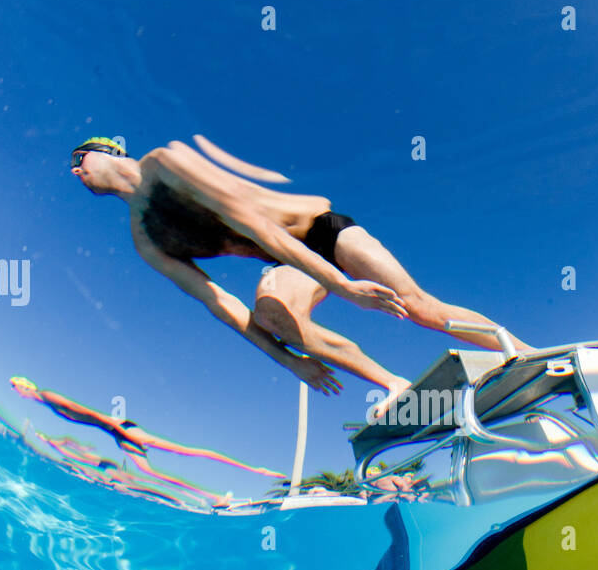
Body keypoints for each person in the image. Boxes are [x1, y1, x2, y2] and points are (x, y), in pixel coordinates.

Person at [70, 135, 528, 401]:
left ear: (110, 150)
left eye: (79, 160)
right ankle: (397, 388)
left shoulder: (166, 164)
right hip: (287, 260)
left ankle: (527, 354)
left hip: (320, 233)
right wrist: (289, 362)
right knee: (272, 317)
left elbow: (256, 227)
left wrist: (345, 286)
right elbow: (219, 303)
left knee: (419, 308)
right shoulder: (146, 240)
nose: (75, 172)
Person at [9, 376, 285, 478]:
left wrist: (121, 431)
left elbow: (87, 412)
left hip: (122, 428)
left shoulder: (46, 396)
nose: (15, 392)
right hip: (117, 434)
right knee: (148, 473)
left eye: (15, 387)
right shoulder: (44, 403)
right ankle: (211, 497)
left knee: (184, 451)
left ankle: (254, 470)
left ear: (25, 385)